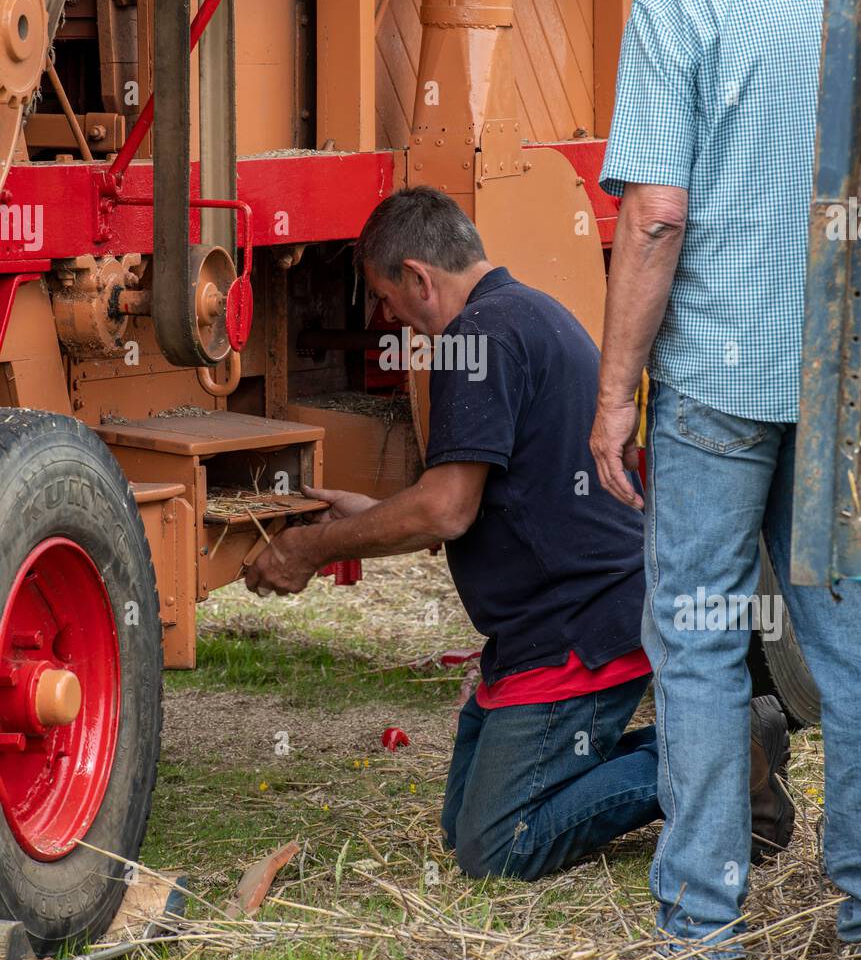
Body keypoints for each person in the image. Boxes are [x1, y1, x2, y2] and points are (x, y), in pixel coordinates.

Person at [247, 186, 790, 881]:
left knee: (499, 847)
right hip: (580, 614)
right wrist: (370, 511)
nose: (387, 317)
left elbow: (448, 509)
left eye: (384, 297)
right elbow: (502, 495)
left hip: (578, 629)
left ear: (418, 277)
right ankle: (716, 740)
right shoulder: (527, 312)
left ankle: (716, 757)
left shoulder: (474, 339)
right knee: (458, 830)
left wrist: (307, 547)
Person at [590, 0, 861, 960]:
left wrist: (612, 394)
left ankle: (701, 927)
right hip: (841, 372)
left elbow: (654, 215)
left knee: (698, 633)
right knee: (848, 636)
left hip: (715, 377)